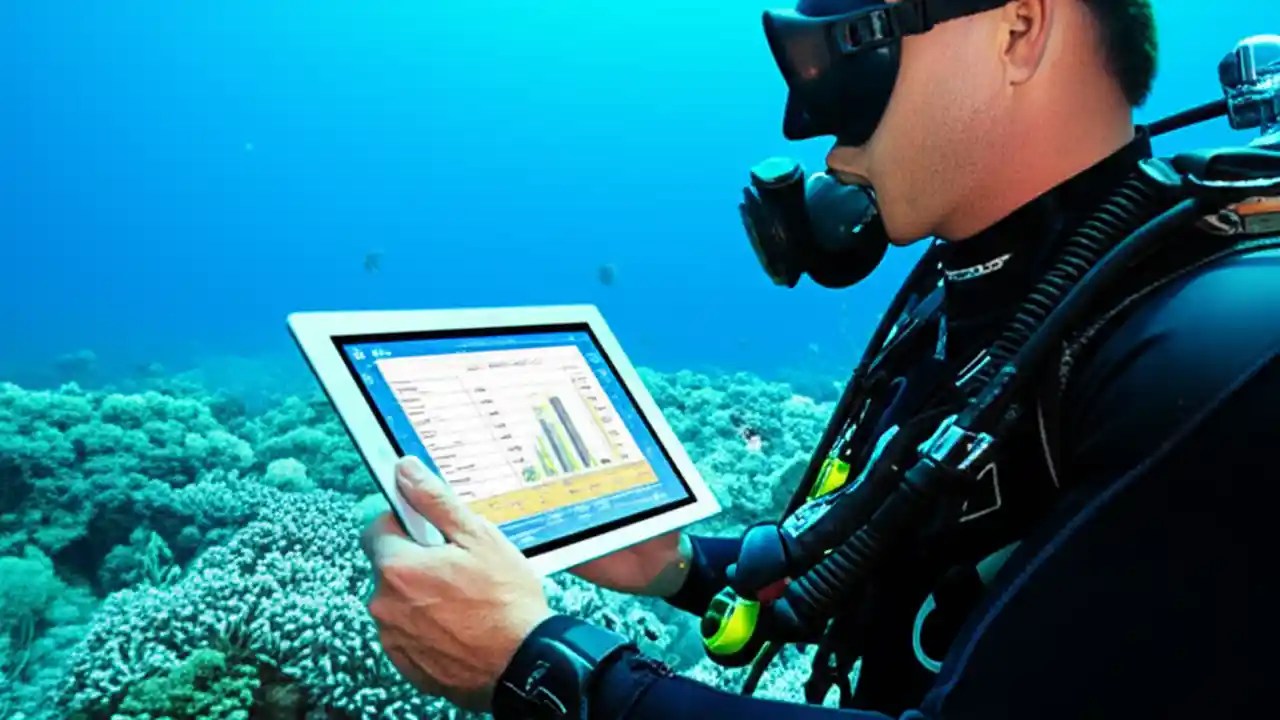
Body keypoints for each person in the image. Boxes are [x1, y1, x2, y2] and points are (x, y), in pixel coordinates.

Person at [360, 0, 1280, 718]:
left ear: (1018, 29)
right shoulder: (958, 291)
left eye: (844, 51)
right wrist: (679, 566)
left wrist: (543, 668)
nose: (805, 117)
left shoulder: (1221, 355)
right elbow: (881, 543)